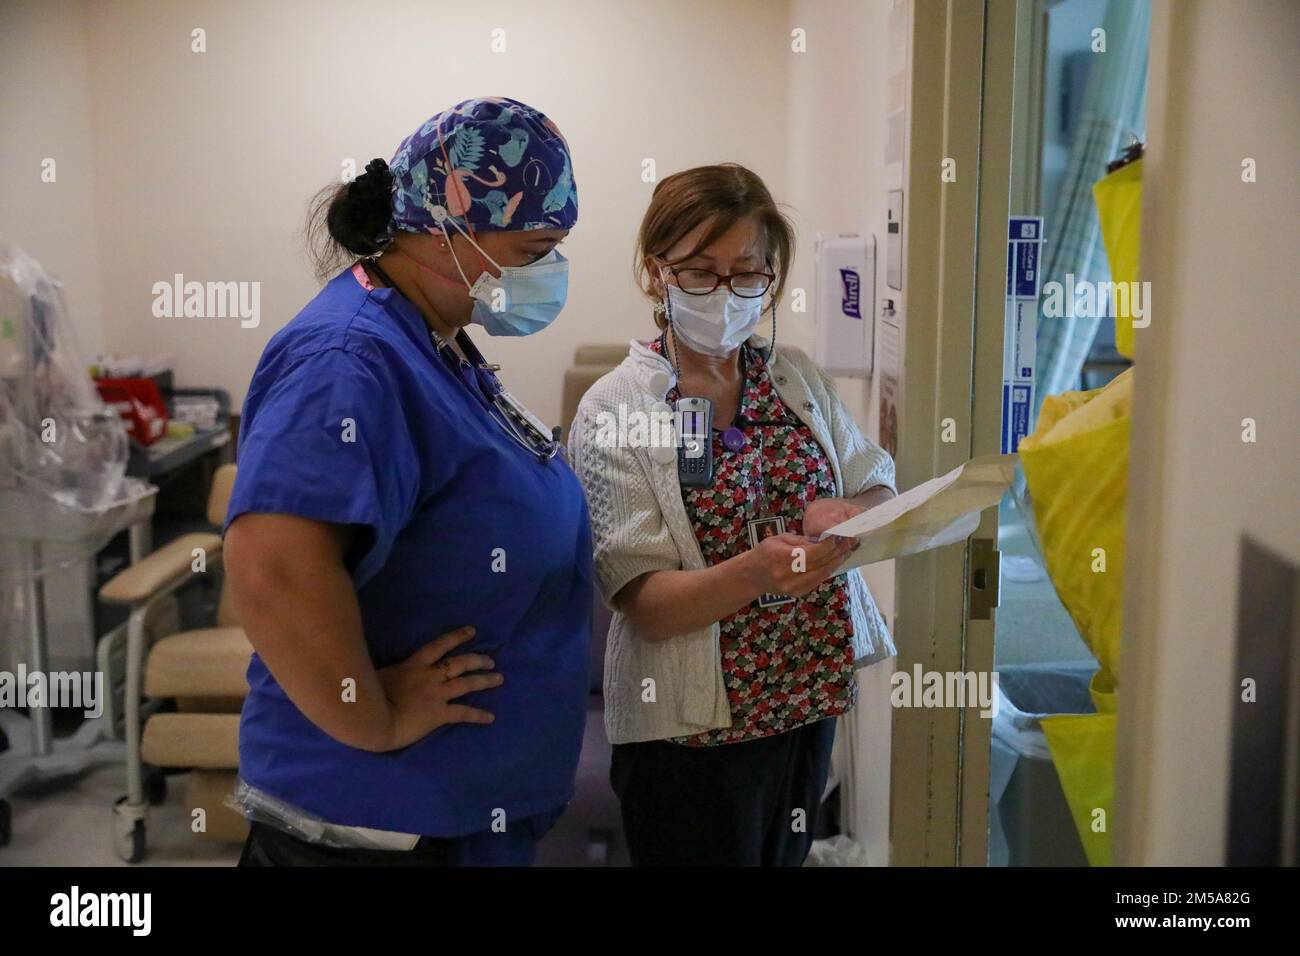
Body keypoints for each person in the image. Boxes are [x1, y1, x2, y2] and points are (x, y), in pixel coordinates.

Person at [224, 97, 591, 866]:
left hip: (453, 806)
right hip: (375, 823)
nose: (547, 274)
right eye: (532, 251)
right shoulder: (348, 360)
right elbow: (271, 567)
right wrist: (375, 716)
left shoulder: (432, 341)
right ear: (444, 232)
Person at [568, 163, 897, 866]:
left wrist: (851, 508)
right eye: (700, 272)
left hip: (806, 703)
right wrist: (757, 571)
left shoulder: (795, 376)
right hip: (687, 734)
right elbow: (643, 601)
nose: (725, 293)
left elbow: (879, 485)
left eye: (748, 274)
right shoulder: (617, 407)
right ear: (657, 272)